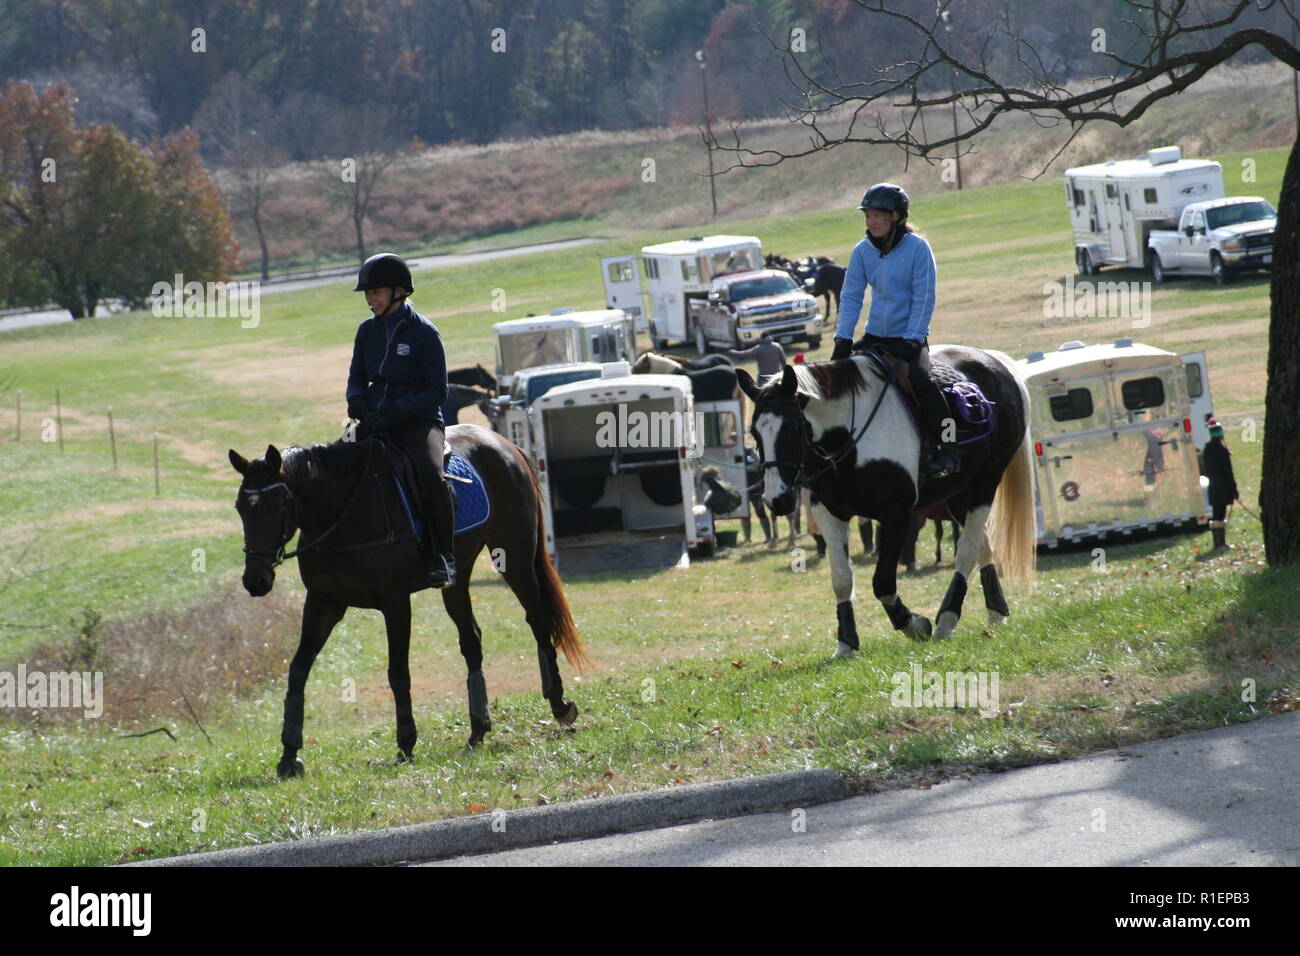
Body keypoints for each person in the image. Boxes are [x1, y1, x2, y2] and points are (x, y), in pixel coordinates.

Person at [830, 182, 960, 479]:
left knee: (922, 382)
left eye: (877, 215)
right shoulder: (862, 251)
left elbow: (924, 297)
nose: (870, 221)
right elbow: (851, 297)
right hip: (875, 337)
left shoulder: (918, 249)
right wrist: (843, 339)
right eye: (867, 215)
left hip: (909, 339)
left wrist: (913, 340)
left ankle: (949, 448)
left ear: (897, 217)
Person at [346, 252, 457, 587]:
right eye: (367, 294)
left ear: (398, 291)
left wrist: (396, 411)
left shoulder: (424, 333)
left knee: (430, 474)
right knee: (338, 463)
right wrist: (356, 402)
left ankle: (445, 557)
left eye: (375, 292)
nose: (370, 300)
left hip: (419, 424)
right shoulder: (367, 331)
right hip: (375, 419)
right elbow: (356, 378)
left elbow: (438, 392)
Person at [1201, 417, 1239, 550]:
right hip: (1223, 487)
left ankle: (1218, 542)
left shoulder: (1207, 450)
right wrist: (1233, 489)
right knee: (1220, 514)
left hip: (1213, 486)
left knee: (1217, 513)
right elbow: (1228, 472)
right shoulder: (1222, 451)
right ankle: (1220, 543)